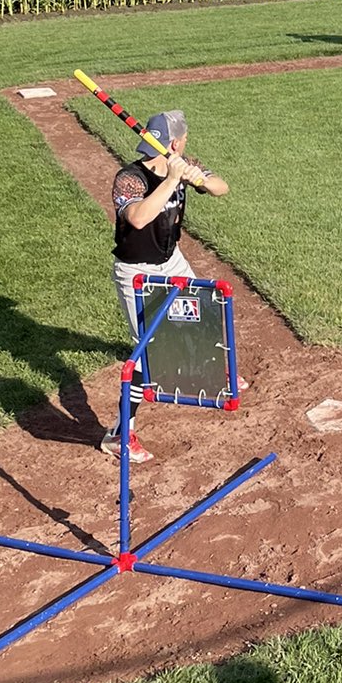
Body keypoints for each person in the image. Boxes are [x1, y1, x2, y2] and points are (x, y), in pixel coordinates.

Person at [105, 111, 231, 462]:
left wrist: (199, 178)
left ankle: (208, 372)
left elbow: (222, 187)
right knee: (147, 351)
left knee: (203, 311)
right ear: (174, 142)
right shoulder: (129, 178)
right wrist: (172, 179)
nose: (186, 143)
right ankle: (118, 435)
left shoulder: (183, 163)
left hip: (171, 260)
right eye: (185, 139)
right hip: (137, 273)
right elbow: (139, 218)